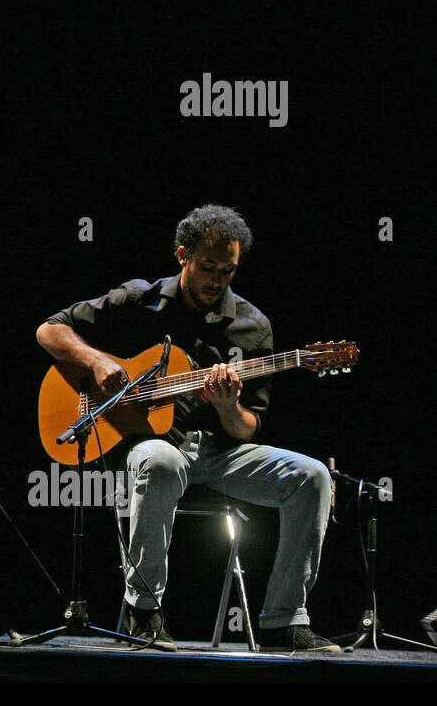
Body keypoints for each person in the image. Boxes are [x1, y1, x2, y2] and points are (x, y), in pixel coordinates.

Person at [36, 204, 338, 652]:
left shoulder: (253, 328)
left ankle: (283, 619)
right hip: (153, 446)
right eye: (207, 267)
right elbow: (49, 330)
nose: (217, 280)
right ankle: (145, 612)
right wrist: (98, 361)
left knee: (313, 476)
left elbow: (247, 429)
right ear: (183, 255)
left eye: (228, 271)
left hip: (218, 452)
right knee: (158, 460)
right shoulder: (140, 299)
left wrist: (228, 406)